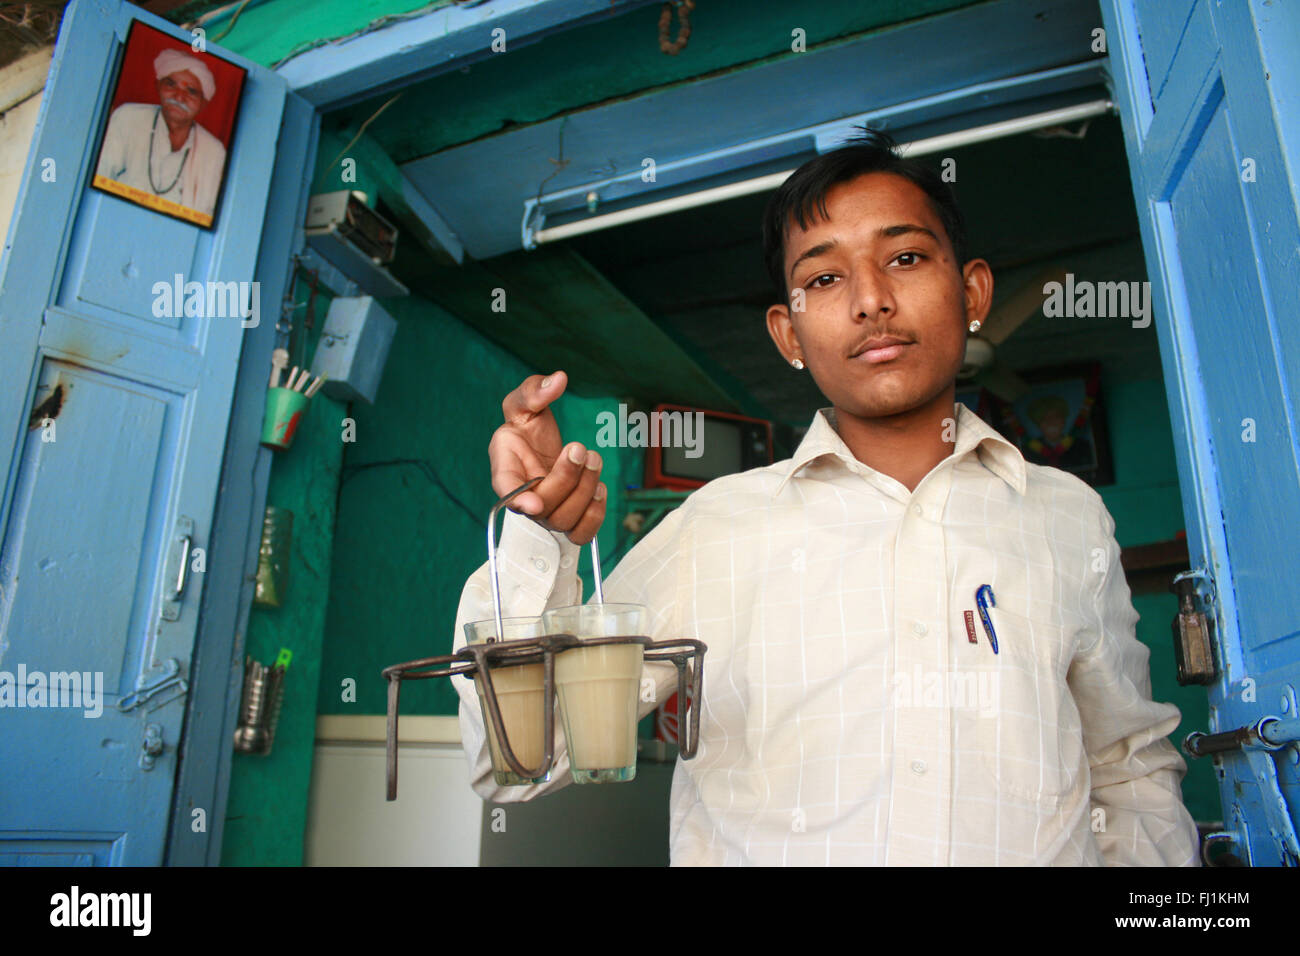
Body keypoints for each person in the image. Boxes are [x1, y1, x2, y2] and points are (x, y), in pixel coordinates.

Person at [452, 126, 1200, 866]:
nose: (873, 300)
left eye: (904, 258)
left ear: (971, 292)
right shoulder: (714, 530)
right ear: (788, 335)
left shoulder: (1066, 518)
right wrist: (535, 536)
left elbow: (1128, 764)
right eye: (824, 279)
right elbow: (519, 761)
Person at [95, 48, 227, 219]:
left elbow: (205, 215)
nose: (179, 97)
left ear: (203, 104)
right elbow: (99, 177)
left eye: (191, 91)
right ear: (157, 86)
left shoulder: (214, 151)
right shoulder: (128, 117)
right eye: (171, 84)